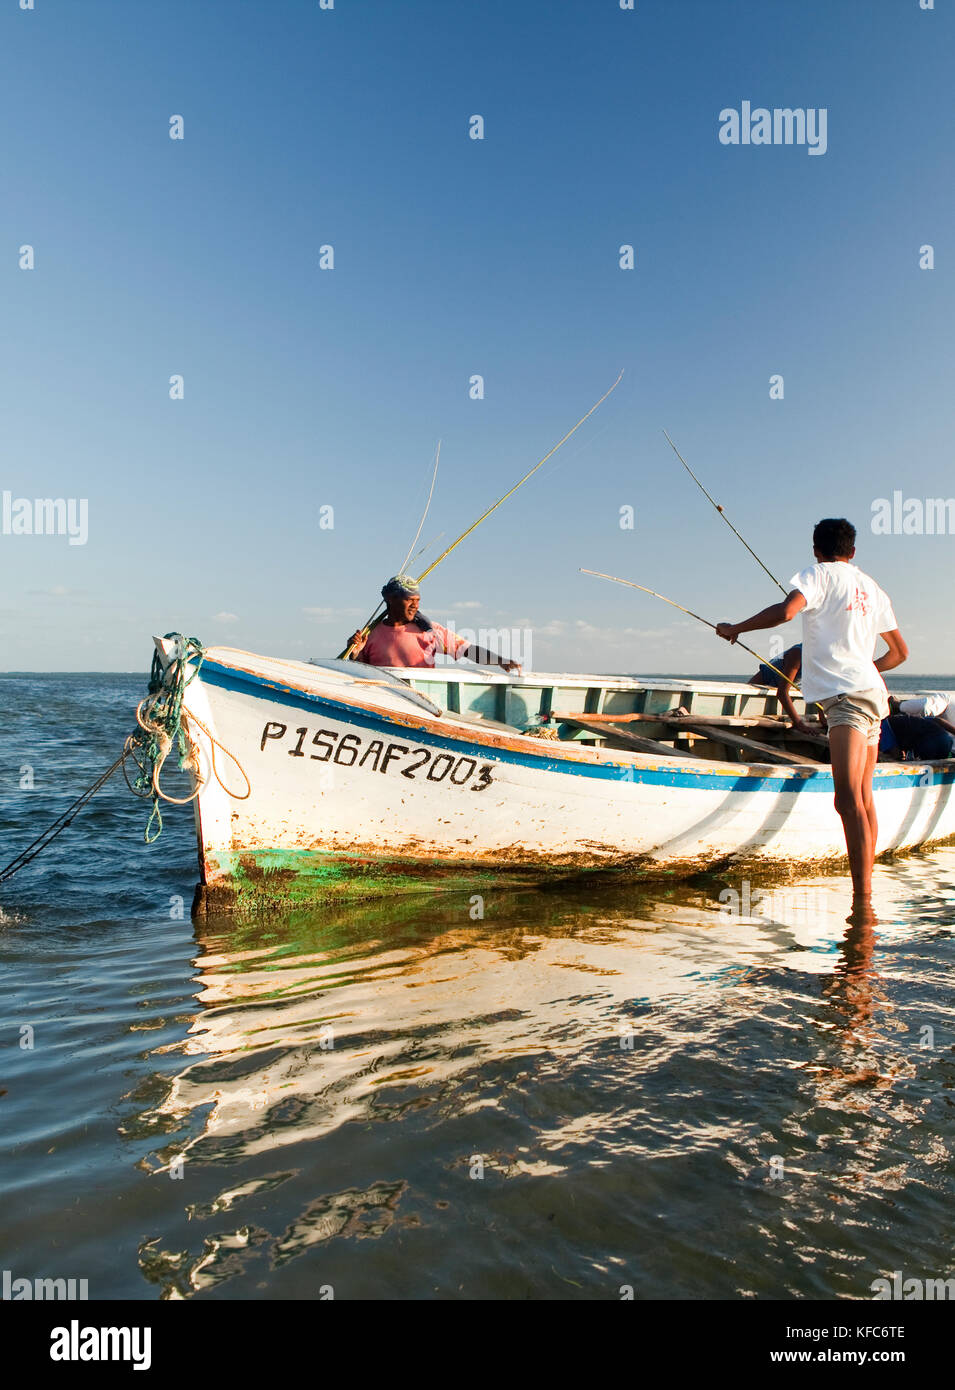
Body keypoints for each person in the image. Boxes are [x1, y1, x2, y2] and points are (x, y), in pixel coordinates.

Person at [716, 518, 908, 905]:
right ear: (852, 552)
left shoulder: (817, 574)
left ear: (816, 550)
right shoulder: (873, 588)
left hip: (848, 702)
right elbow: (900, 653)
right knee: (864, 798)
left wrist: (736, 627)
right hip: (874, 696)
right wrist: (865, 667)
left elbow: (787, 612)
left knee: (847, 800)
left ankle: (863, 902)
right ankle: (866, 893)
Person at [346, 575, 521, 672]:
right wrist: (354, 653)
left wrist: (499, 660)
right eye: (409, 600)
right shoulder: (371, 634)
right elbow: (360, 671)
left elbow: (466, 650)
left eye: (418, 600)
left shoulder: (428, 630)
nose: (415, 605)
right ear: (391, 599)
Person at [747, 643, 812, 732]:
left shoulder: (824, 658)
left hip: (777, 688)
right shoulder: (797, 653)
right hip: (760, 688)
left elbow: (821, 691)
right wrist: (799, 724)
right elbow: (782, 693)